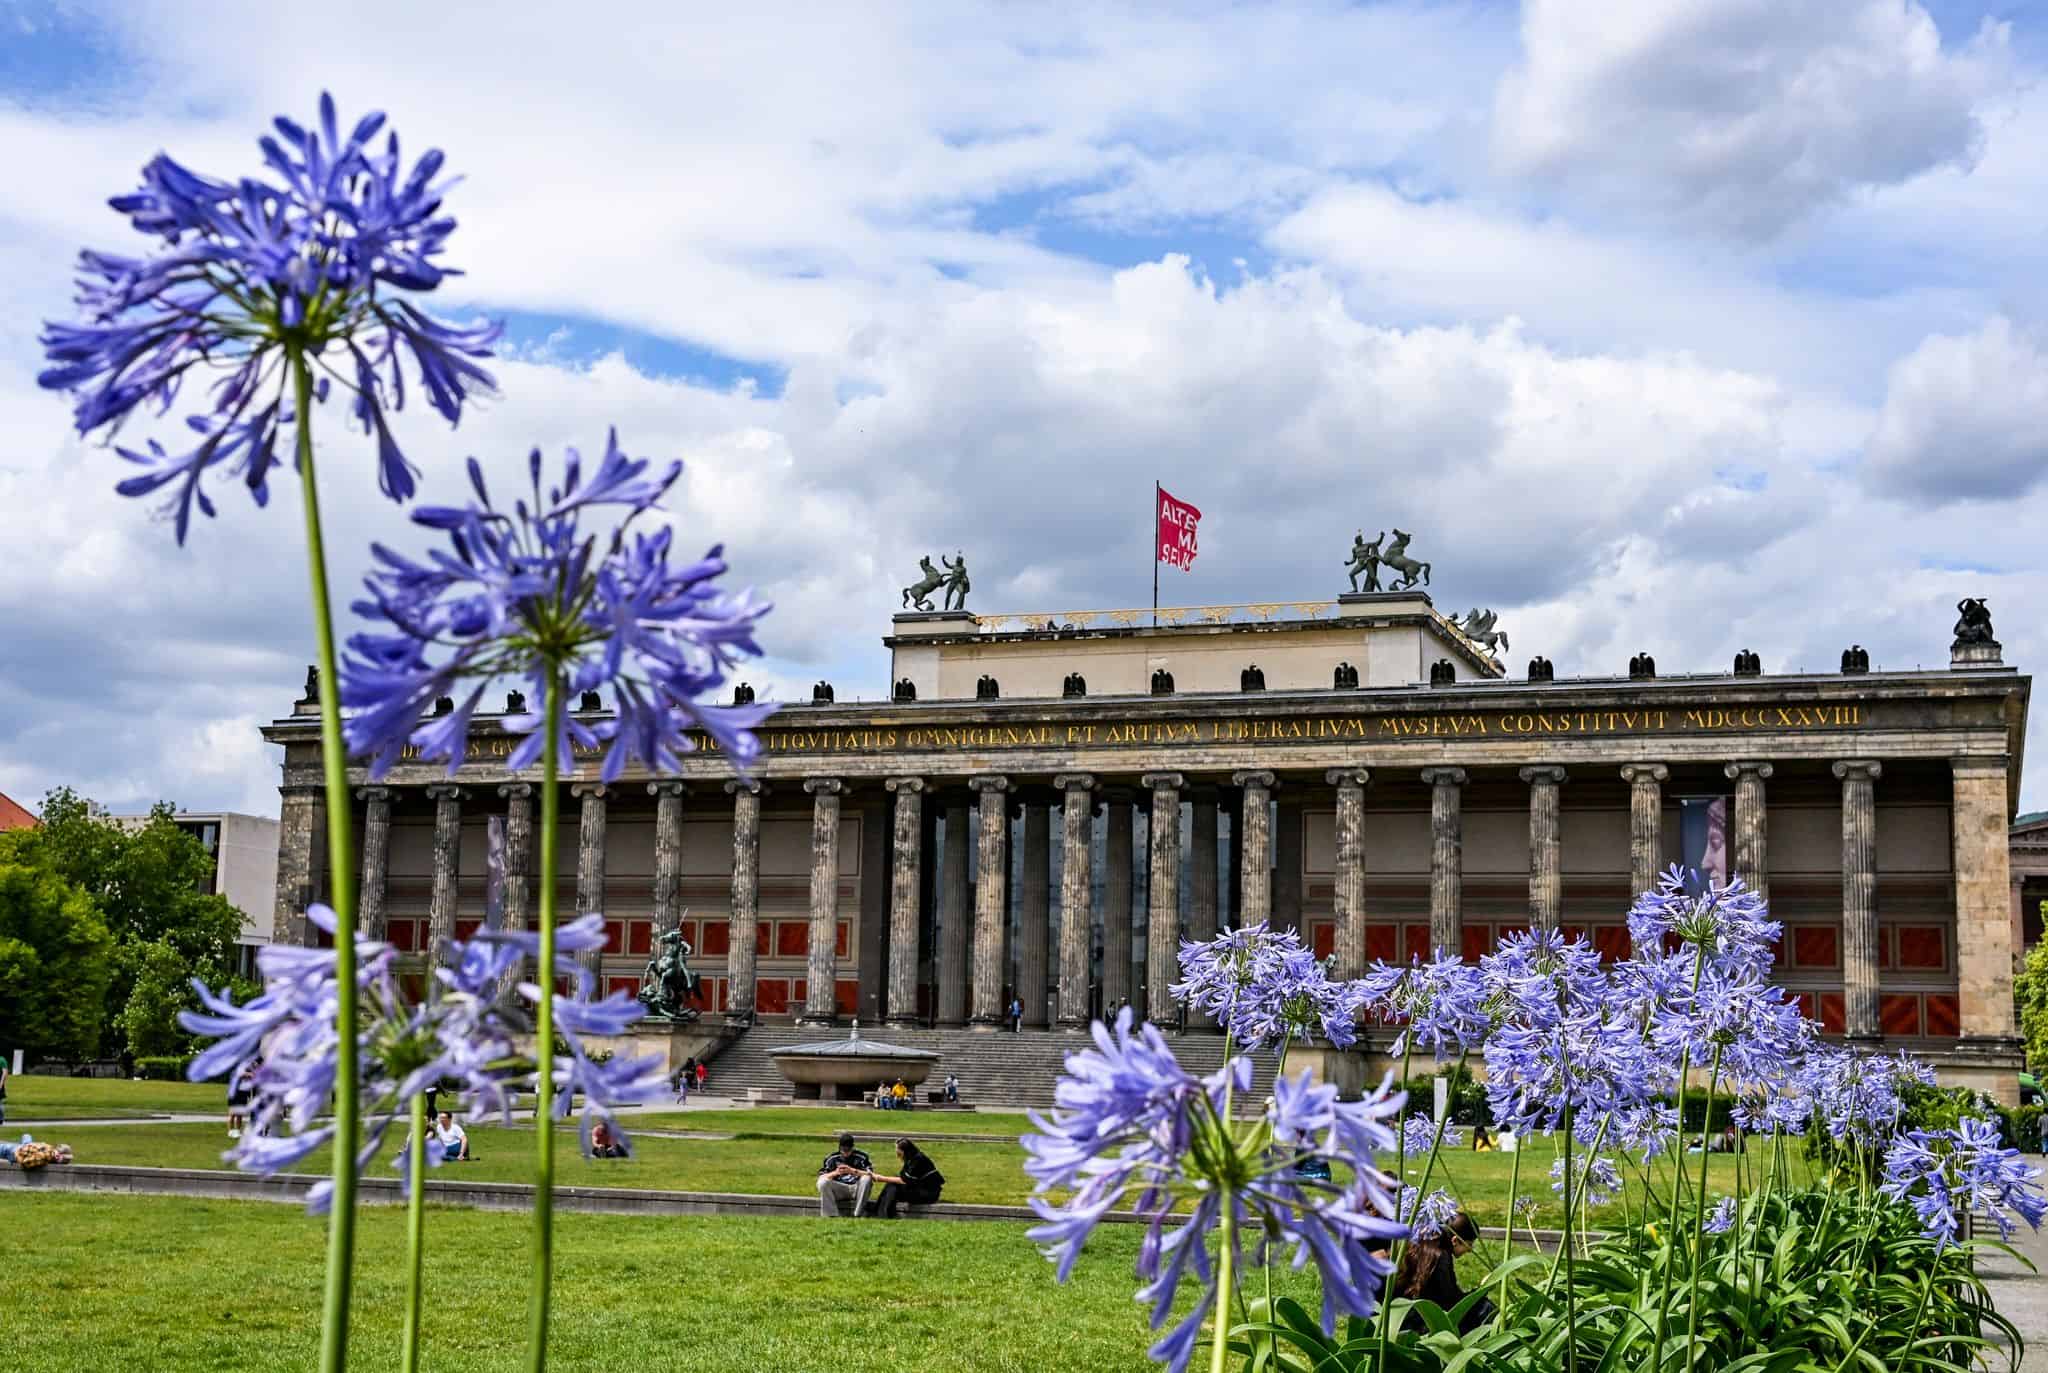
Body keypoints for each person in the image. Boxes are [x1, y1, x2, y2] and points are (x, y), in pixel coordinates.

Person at [1393, 1211, 1491, 1334]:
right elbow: (1452, 1302)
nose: (1470, 1250)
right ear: (1455, 1240)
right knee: (1485, 1307)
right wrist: (1481, 1290)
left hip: (1403, 1316)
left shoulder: (1418, 1245)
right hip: (1425, 1325)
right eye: (1469, 1244)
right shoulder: (1441, 1257)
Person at [863, 1137, 945, 1218]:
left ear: (903, 1150)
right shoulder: (912, 1158)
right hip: (921, 1190)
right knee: (892, 1185)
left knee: (893, 1186)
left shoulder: (918, 1160)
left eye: (898, 1150)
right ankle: (882, 1211)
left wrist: (880, 1178)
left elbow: (903, 1180)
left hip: (929, 1194)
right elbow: (904, 1178)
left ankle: (882, 1213)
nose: (896, 1152)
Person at [817, 1131, 872, 1217]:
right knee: (822, 1182)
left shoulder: (862, 1157)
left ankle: (858, 1214)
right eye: (843, 1150)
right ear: (839, 1148)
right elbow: (821, 1176)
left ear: (853, 1147)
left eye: (848, 1150)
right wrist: (836, 1172)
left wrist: (852, 1171)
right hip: (839, 1188)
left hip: (856, 1188)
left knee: (866, 1179)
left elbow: (870, 1174)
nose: (846, 1153)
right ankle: (831, 1215)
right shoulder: (831, 1158)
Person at [226, 1059, 256, 1139]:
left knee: (240, 1114)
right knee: (232, 1113)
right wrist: (250, 1074)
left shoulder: (249, 1067)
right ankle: (230, 1131)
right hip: (234, 1092)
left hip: (243, 1093)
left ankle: (237, 1131)